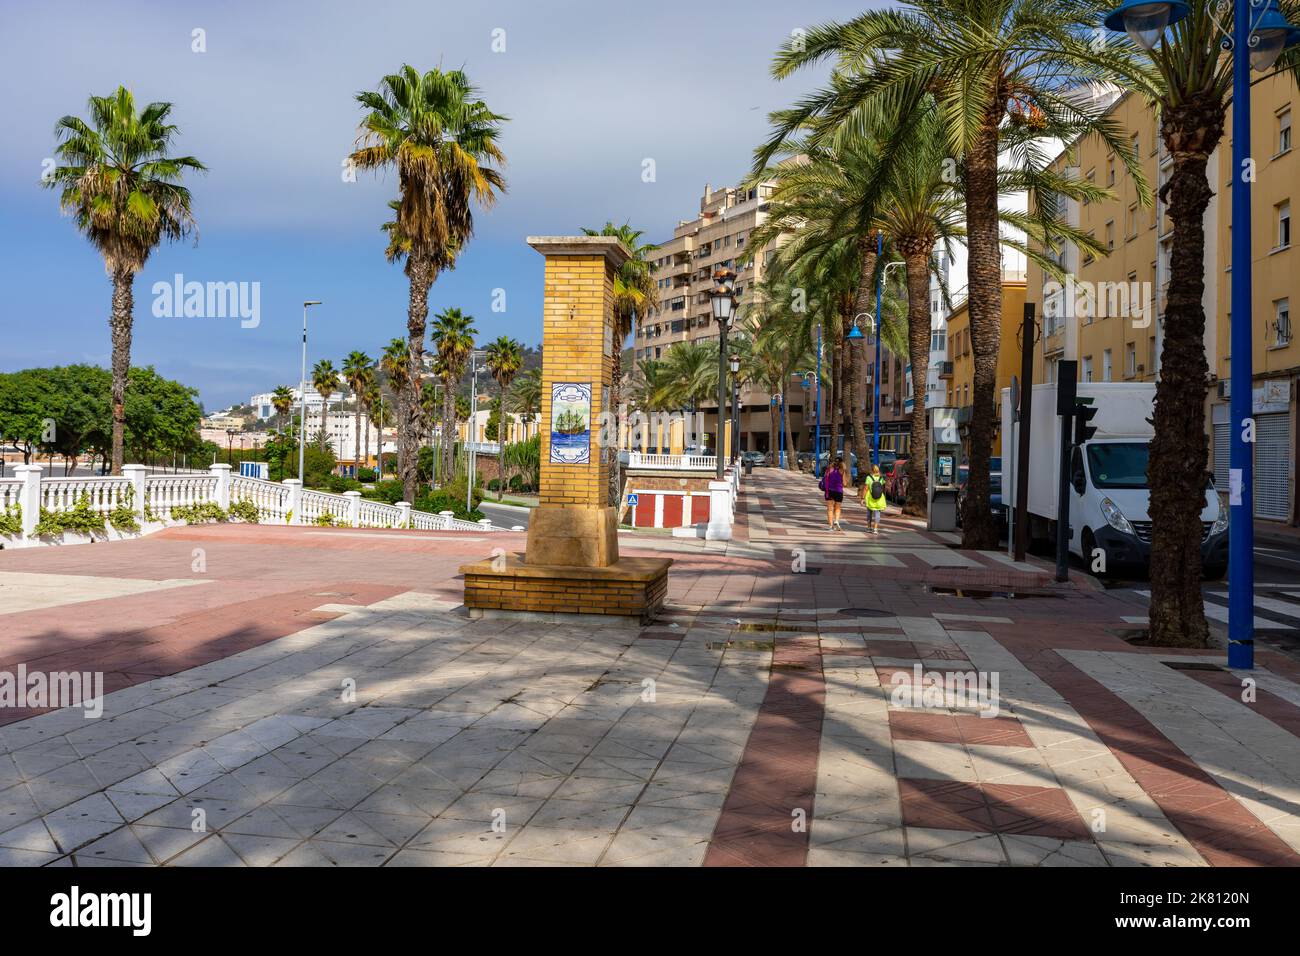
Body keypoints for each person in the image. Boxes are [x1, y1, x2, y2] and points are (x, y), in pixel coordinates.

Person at [820, 456, 845, 531]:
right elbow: (845, 483)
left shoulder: (829, 470)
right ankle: (836, 521)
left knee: (830, 509)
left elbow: (825, 479)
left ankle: (830, 526)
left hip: (829, 491)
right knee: (837, 508)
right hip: (839, 491)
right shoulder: (842, 470)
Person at [863, 463, 887, 534]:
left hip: (870, 498)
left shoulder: (869, 478)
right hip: (879, 499)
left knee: (869, 513)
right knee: (877, 514)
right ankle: (875, 529)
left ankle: (869, 527)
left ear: (871, 470)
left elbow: (865, 488)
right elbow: (883, 487)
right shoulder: (881, 478)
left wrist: (862, 498)